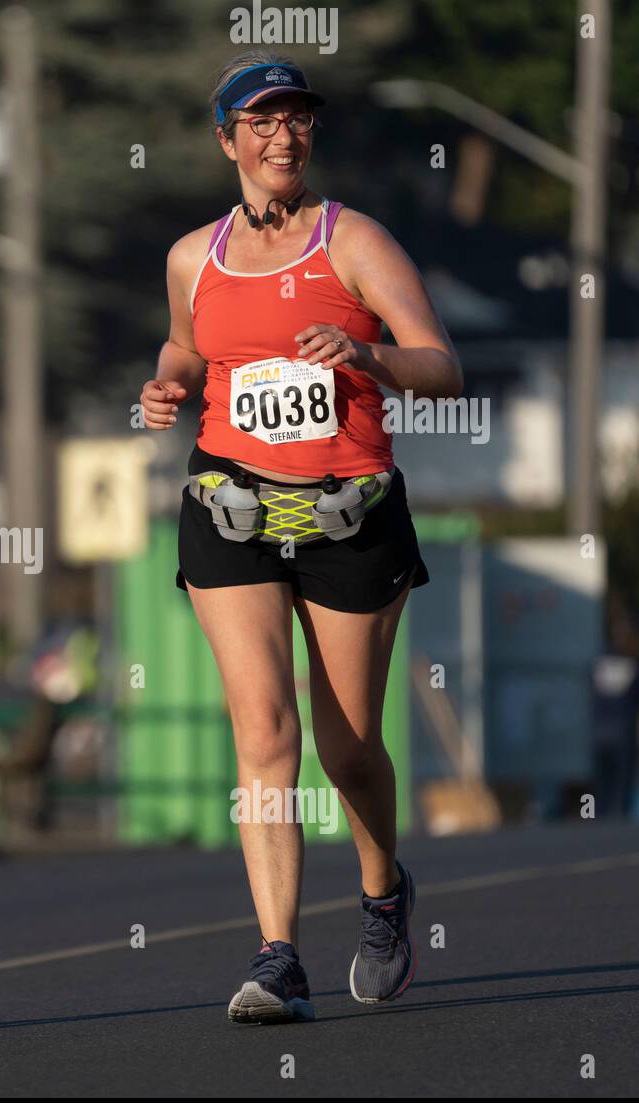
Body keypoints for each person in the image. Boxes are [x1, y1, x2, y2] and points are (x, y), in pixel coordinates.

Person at [139, 57, 462, 1023]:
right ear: (228, 140)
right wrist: (165, 384)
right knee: (264, 734)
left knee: (347, 744)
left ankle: (381, 893)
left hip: (346, 513)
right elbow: (188, 347)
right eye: (263, 121)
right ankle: (278, 951)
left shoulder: (353, 240)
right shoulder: (192, 256)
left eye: (297, 121)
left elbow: (442, 366)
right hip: (230, 506)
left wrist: (366, 352)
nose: (284, 137)